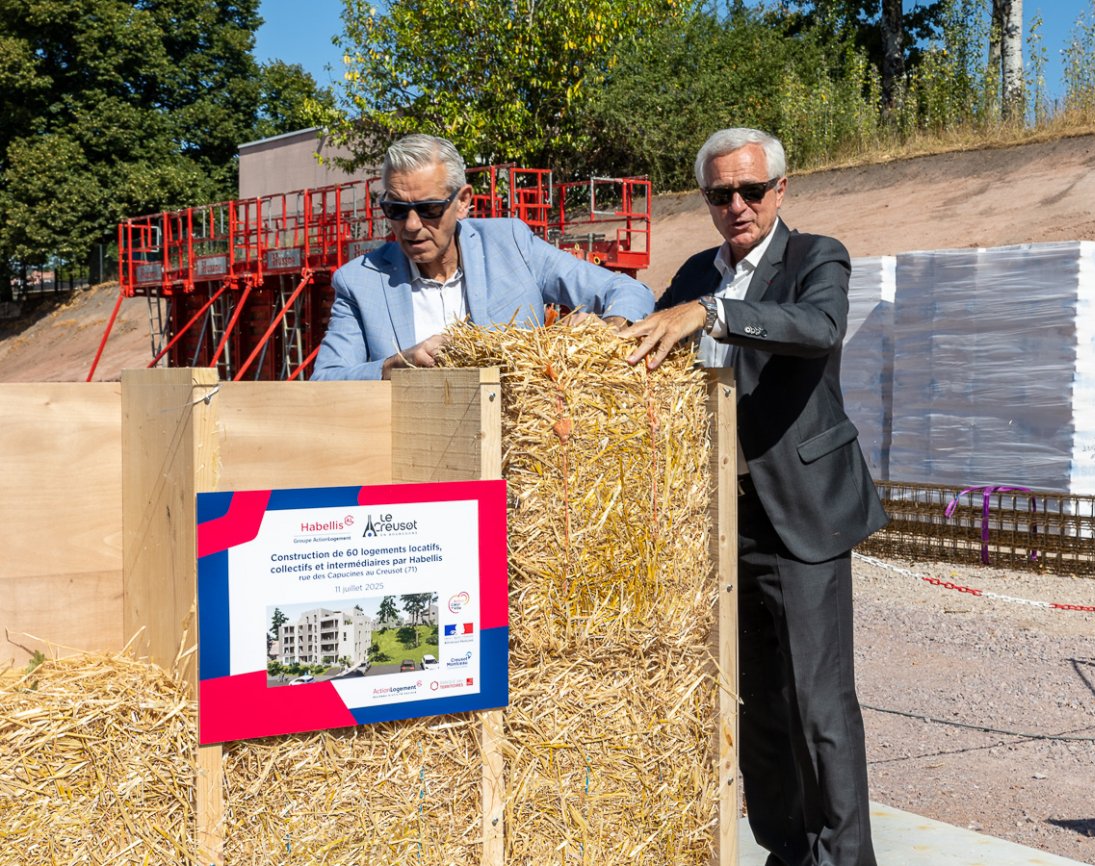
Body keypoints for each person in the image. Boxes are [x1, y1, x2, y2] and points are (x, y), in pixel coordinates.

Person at [620, 128, 887, 866]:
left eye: (751, 190)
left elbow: (818, 326)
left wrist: (713, 314)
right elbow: (644, 335)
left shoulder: (815, 257)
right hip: (724, 517)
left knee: (819, 705)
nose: (736, 206)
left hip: (803, 511)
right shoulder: (695, 271)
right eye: (720, 194)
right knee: (760, 706)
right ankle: (787, 849)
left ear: (781, 190)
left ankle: (844, 859)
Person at [311, 134, 654, 380]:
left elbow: (628, 291)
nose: (412, 226)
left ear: (462, 201)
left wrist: (606, 331)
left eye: (429, 209)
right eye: (396, 210)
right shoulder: (358, 281)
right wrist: (393, 367)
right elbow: (325, 381)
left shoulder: (513, 244)